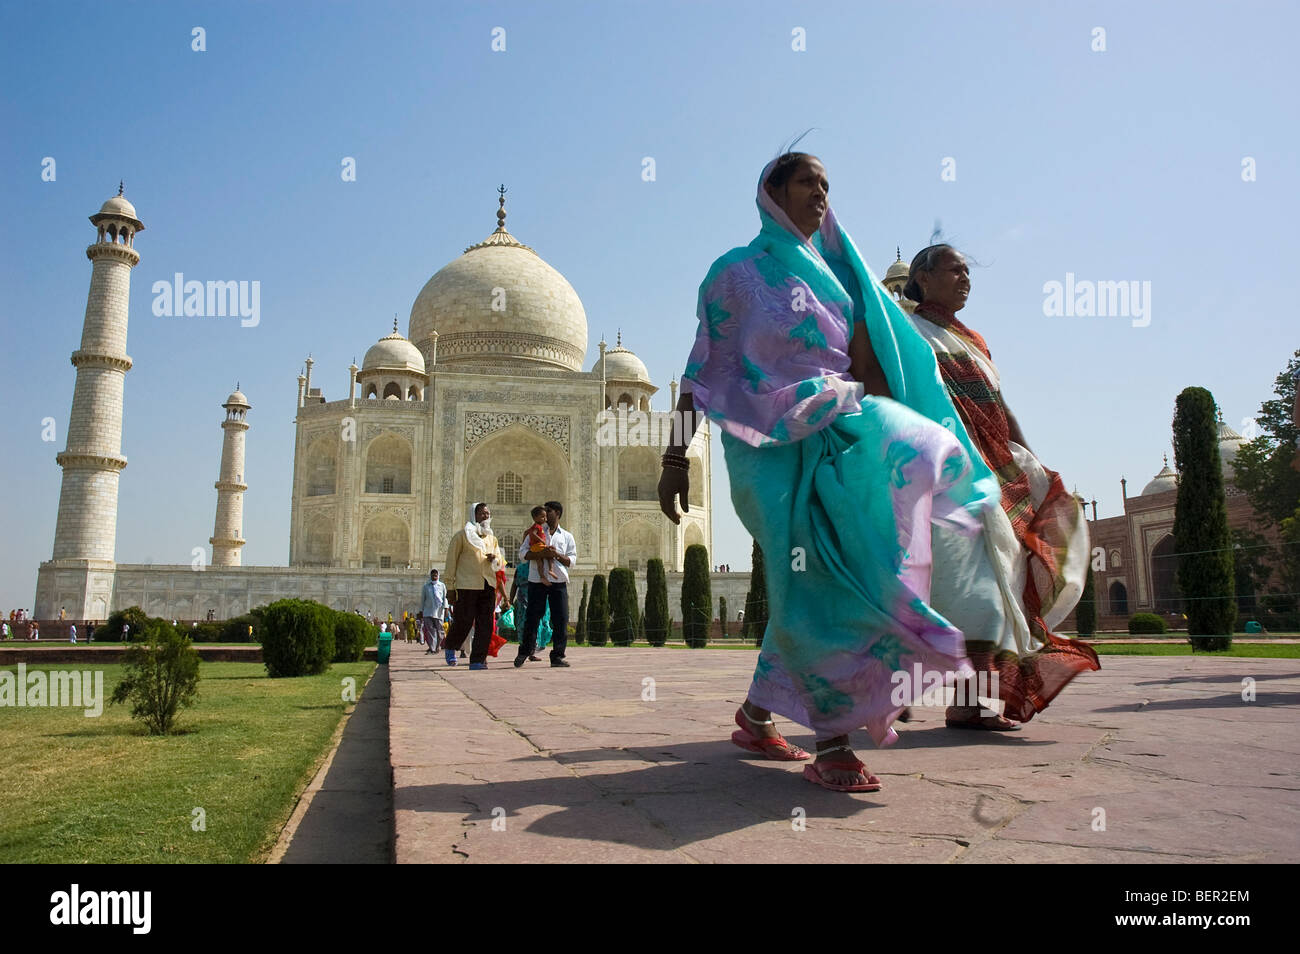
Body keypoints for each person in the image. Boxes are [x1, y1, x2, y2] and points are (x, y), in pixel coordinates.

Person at [659, 151, 1007, 792]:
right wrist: (675, 458)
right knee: (815, 573)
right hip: (766, 450)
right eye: (806, 184)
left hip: (840, 436)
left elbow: (870, 367)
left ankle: (757, 713)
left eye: (826, 185)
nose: (820, 195)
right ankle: (835, 744)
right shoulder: (735, 275)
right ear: (772, 193)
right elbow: (701, 368)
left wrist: (893, 440)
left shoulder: (839, 279)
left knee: (824, 577)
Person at [904, 244, 1099, 727]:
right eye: (955, 269)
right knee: (961, 588)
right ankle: (899, 684)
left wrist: (1030, 459)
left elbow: (998, 407)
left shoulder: (975, 341)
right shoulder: (908, 332)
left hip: (992, 467)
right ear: (922, 278)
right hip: (947, 472)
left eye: (968, 270)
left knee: (1001, 579)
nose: (965, 277)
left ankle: (968, 701)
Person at [444, 502, 506, 670]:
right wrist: (450, 587)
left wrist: (495, 559)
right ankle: (450, 646)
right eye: (482, 513)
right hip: (467, 585)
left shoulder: (491, 539)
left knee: (485, 624)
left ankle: (477, 660)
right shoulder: (462, 536)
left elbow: (501, 563)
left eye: (488, 513)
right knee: (464, 620)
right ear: (474, 515)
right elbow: (451, 562)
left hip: (488, 585)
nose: (486, 516)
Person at [515, 501, 576, 668]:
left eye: (547, 511)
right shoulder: (535, 532)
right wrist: (541, 553)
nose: (544, 513)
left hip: (558, 582)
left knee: (560, 619)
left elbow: (572, 561)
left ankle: (557, 656)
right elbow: (522, 554)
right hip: (537, 580)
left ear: (557, 513)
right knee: (533, 617)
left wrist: (555, 554)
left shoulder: (566, 536)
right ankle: (524, 651)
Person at [509, 554, 552, 662]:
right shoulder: (533, 568)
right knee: (533, 626)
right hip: (530, 599)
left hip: (528, 599)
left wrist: (510, 600)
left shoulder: (525, 568)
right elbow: (515, 584)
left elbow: (514, 585)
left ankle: (529, 650)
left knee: (525, 625)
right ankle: (529, 651)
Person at [523, 505, 561, 585]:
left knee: (540, 563)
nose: (546, 519)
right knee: (550, 555)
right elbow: (533, 534)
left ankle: (542, 576)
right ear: (535, 518)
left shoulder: (537, 527)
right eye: (543, 517)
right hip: (538, 547)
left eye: (546, 516)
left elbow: (528, 533)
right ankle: (551, 570)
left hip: (536, 547)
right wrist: (541, 540)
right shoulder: (537, 526)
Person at [420, 568, 448, 653]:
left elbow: (444, 598)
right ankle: (432, 648)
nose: (434, 577)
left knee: (440, 631)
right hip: (428, 611)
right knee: (430, 630)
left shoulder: (442, 585)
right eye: (432, 575)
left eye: (435, 575)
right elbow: (422, 599)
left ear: (438, 576)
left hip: (439, 612)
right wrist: (421, 611)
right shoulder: (426, 586)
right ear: (430, 576)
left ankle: (438, 646)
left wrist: (446, 609)